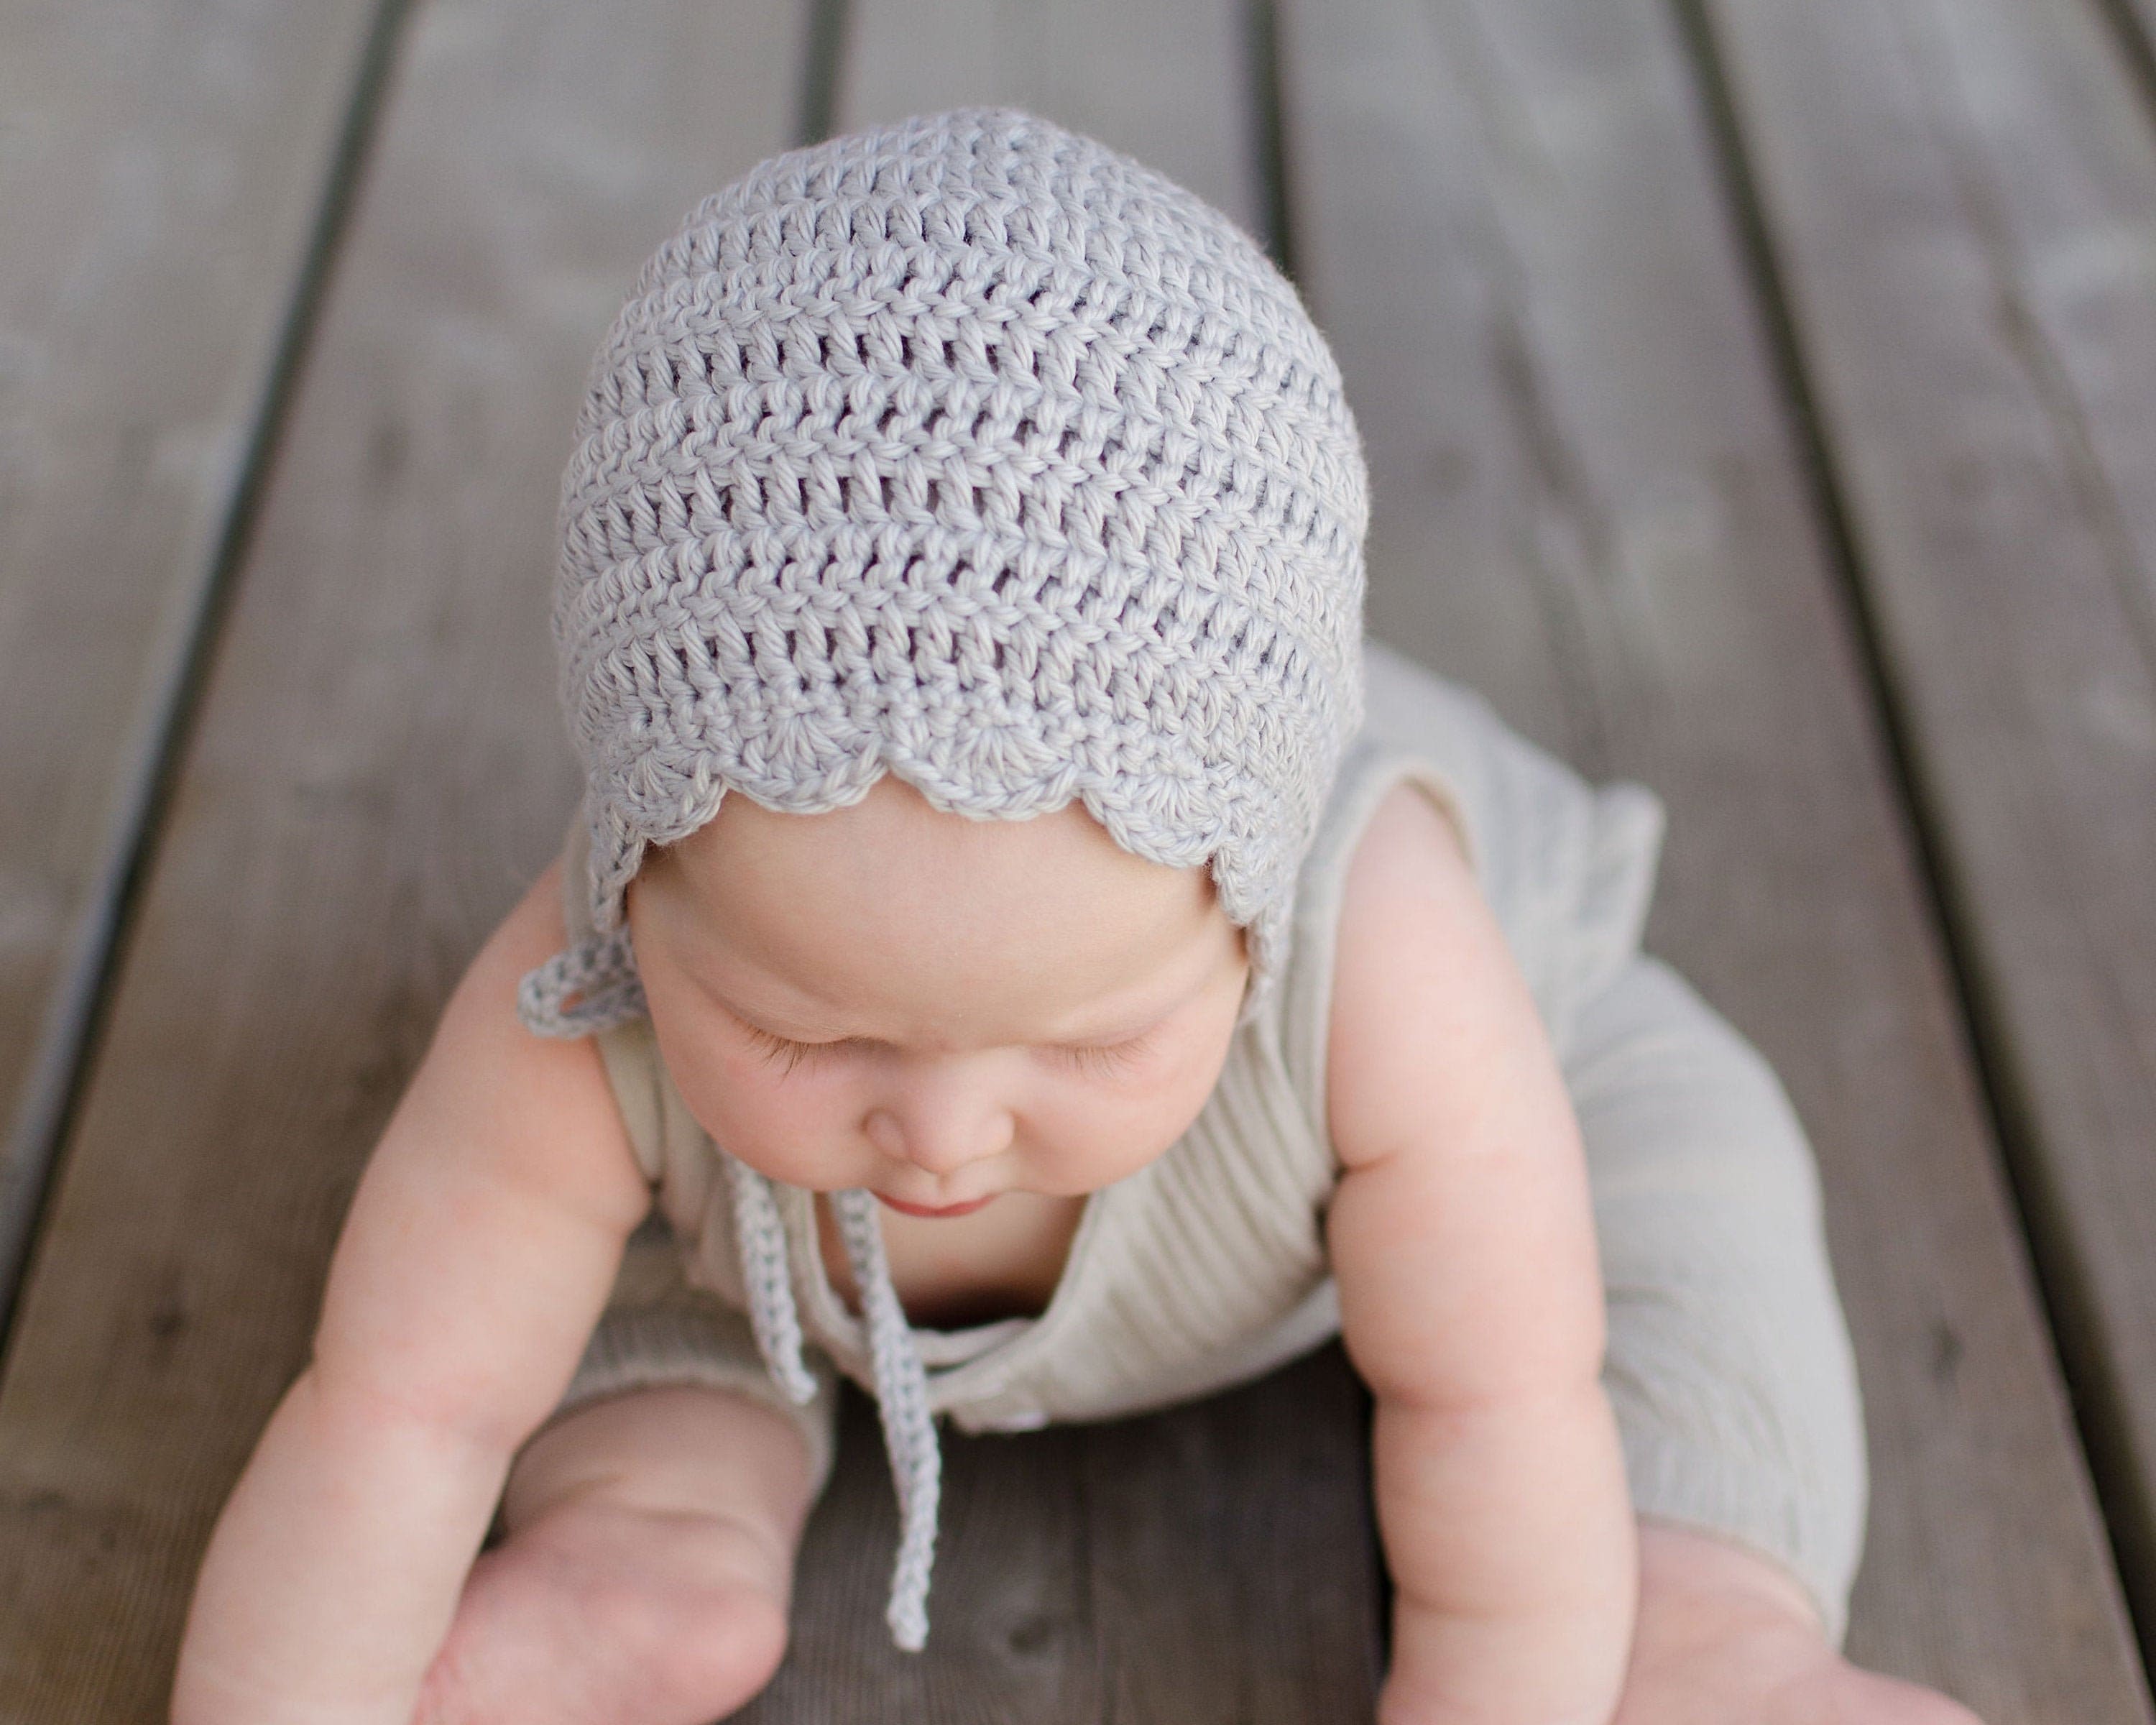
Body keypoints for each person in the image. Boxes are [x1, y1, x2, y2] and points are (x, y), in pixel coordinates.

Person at [170, 108, 1983, 1725]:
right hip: (780, 1282)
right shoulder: (594, 984)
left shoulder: (1392, 968)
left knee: (1687, 1194)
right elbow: (396, 1409)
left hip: (1492, 1128)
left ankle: (1704, 1616)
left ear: (1242, 927)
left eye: (1096, 1037)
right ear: (640, 874)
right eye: (810, 1026)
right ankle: (650, 1532)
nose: (943, 1136)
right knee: (610, 1285)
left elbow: (1500, 1409)